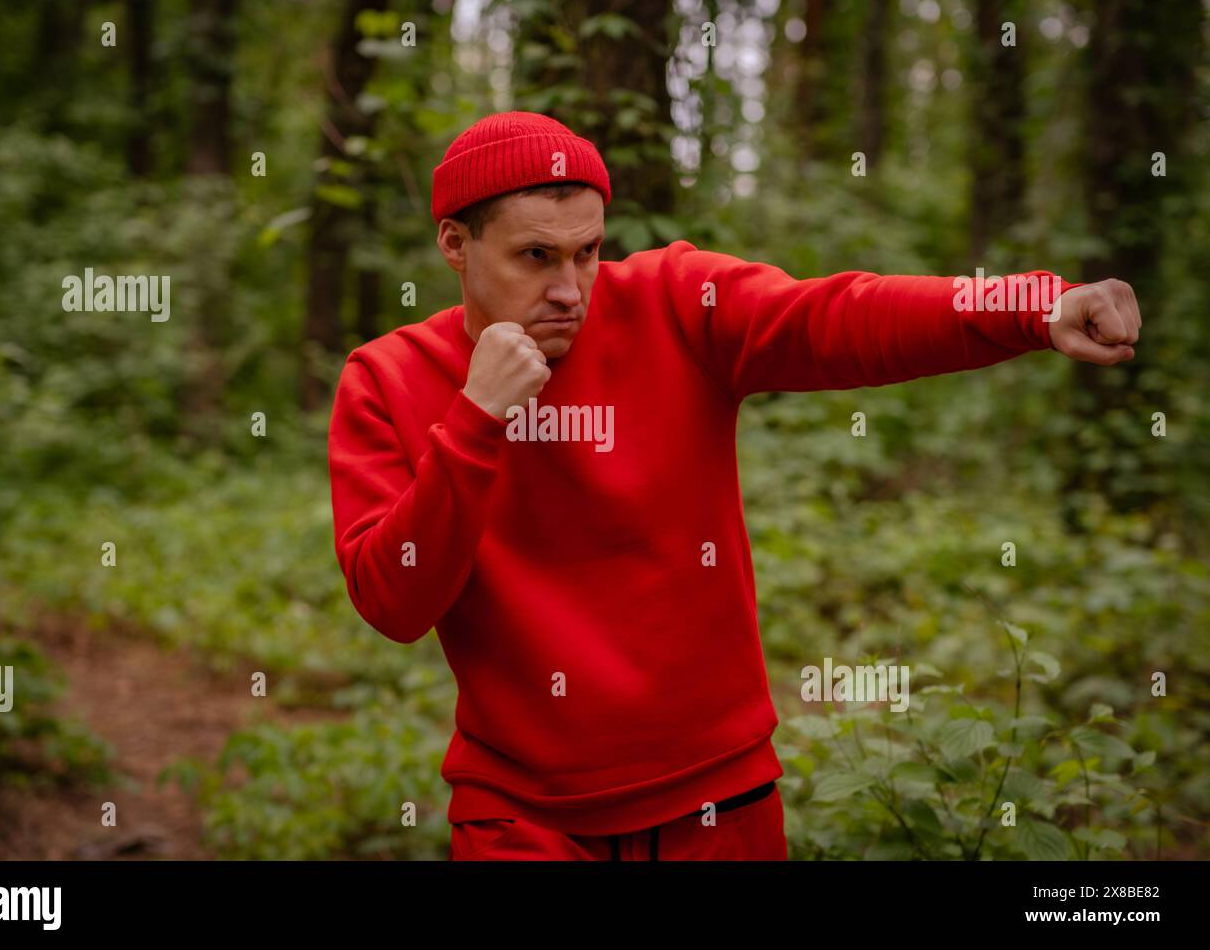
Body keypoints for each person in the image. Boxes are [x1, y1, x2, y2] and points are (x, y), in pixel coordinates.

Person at [327, 111, 1142, 861]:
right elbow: (394, 603)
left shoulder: (676, 303)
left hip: (718, 799)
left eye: (588, 252)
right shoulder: (386, 379)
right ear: (455, 245)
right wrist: (475, 420)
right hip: (520, 817)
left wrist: (1033, 306)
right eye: (535, 257)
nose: (571, 290)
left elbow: (838, 317)